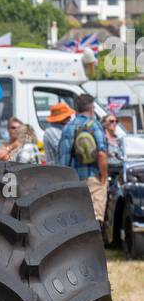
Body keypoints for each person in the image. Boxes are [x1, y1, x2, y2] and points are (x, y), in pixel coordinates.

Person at [57, 92, 108, 221]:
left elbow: (63, 158)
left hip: (73, 180)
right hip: (92, 176)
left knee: (77, 218)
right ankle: (95, 240)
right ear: (92, 109)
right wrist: (103, 176)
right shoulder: (95, 125)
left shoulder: (67, 127)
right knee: (96, 218)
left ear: (76, 109)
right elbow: (101, 153)